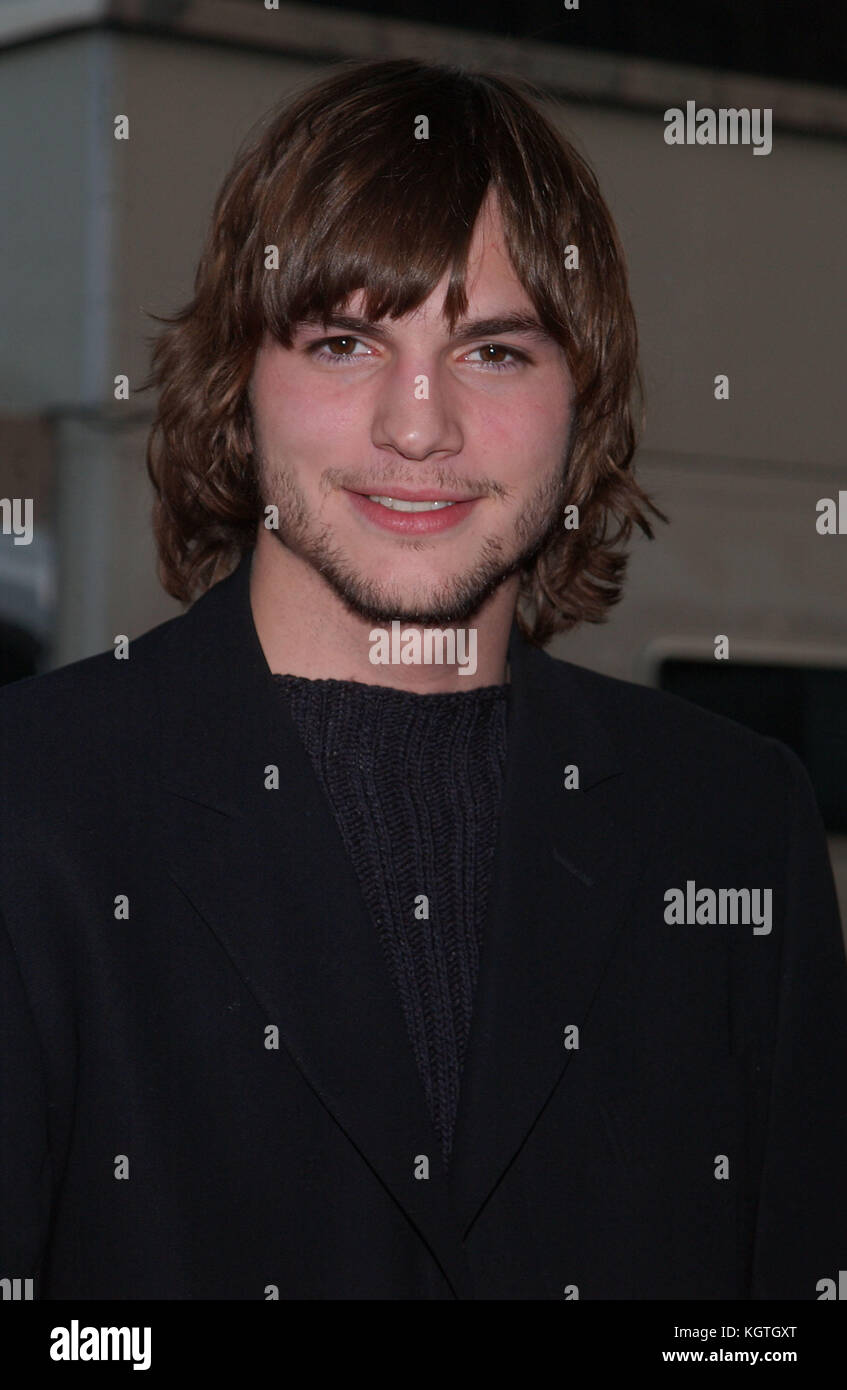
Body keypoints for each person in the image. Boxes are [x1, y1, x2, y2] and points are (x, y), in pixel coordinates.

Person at [1, 58, 845, 1301]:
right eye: (345, 341)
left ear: (582, 399)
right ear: (240, 387)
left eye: (494, 352)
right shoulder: (34, 805)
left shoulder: (731, 828)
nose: (418, 425)